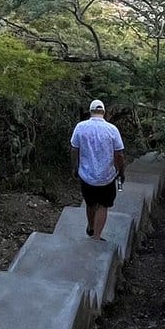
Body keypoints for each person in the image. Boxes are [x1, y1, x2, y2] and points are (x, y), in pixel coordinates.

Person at [70, 99, 126, 240]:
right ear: (104, 112)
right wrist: (121, 171)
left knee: (90, 203)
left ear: (90, 112)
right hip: (106, 176)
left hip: (86, 175)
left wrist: (75, 167)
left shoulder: (80, 127)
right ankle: (96, 237)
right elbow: (119, 154)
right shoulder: (112, 130)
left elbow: (74, 149)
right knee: (103, 205)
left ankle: (91, 225)